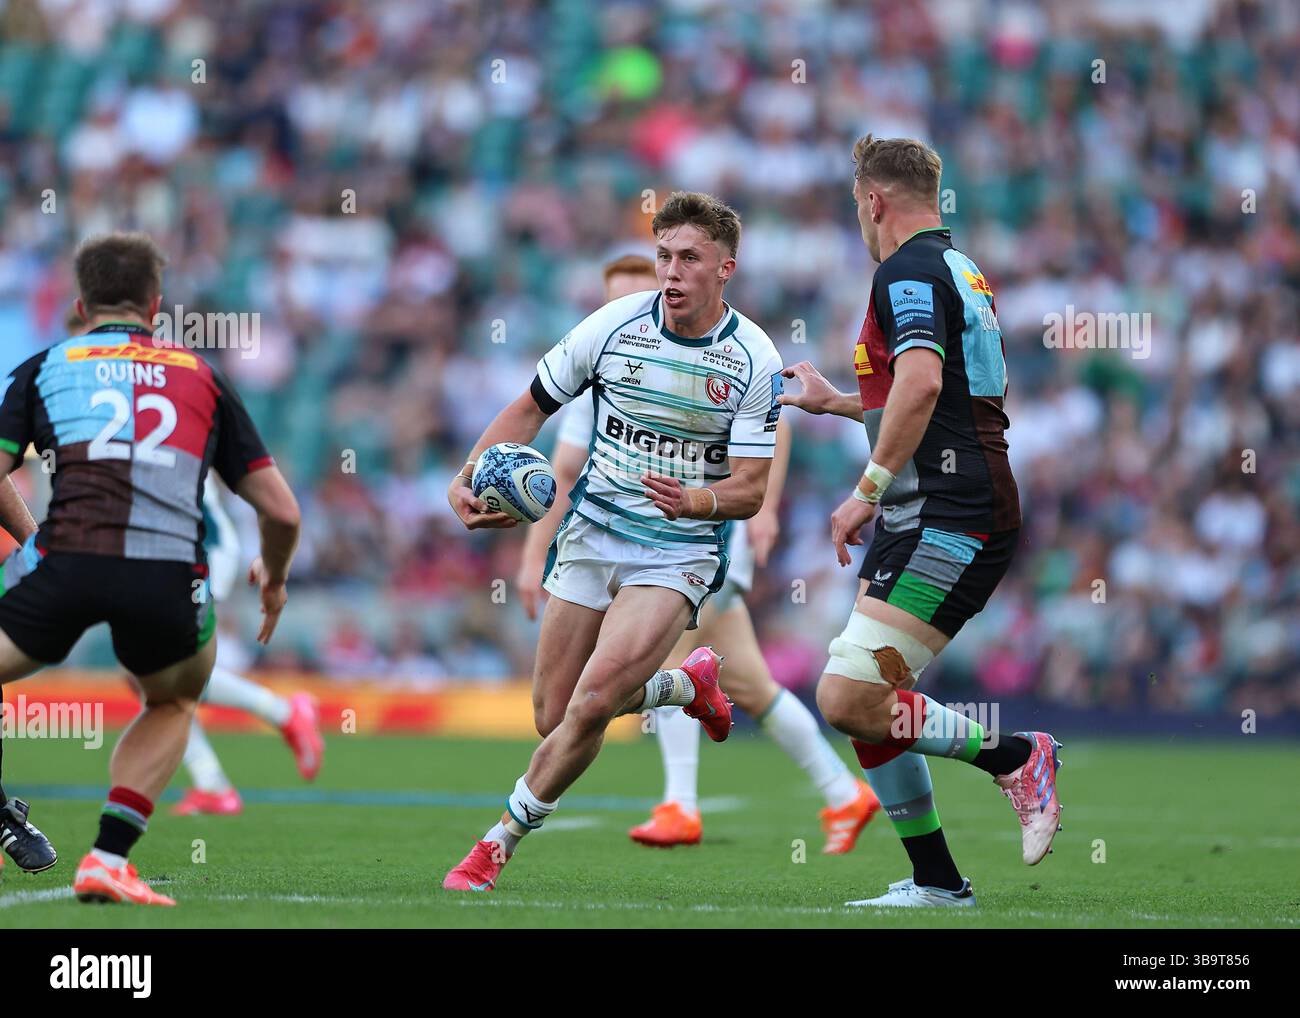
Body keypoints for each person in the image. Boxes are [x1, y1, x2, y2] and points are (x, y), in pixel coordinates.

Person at [443, 192, 783, 891]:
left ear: (726, 268)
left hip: (679, 552)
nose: (672, 271)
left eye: (689, 258)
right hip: (594, 532)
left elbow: (750, 489)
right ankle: (685, 684)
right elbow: (529, 407)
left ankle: (496, 844)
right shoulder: (613, 326)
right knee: (552, 714)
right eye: (664, 255)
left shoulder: (753, 358)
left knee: (593, 705)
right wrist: (468, 473)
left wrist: (697, 500)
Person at [778, 136, 1061, 908]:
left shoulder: (903, 270)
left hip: (951, 511)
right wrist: (837, 400)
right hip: (935, 505)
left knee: (845, 695)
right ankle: (937, 881)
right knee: (870, 694)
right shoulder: (958, 267)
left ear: (873, 201)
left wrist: (865, 489)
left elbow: (925, 382)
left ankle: (1016, 754)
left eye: (857, 207)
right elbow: (931, 389)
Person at [518, 255, 879, 853]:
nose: (649, 296)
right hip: (627, 534)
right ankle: (843, 792)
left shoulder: (720, 353)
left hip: (695, 533)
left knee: (674, 654)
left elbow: (773, 427)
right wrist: (535, 557)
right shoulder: (601, 366)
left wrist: (763, 510)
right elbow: (562, 467)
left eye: (644, 287)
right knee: (750, 683)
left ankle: (680, 804)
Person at [0, 232, 301, 905]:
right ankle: (107, 857)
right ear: (156, 307)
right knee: (171, 701)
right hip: (167, 574)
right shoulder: (201, 376)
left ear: (80, 304)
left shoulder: (43, 367)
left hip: (65, 560)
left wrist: (30, 546)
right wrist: (274, 580)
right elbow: (282, 512)